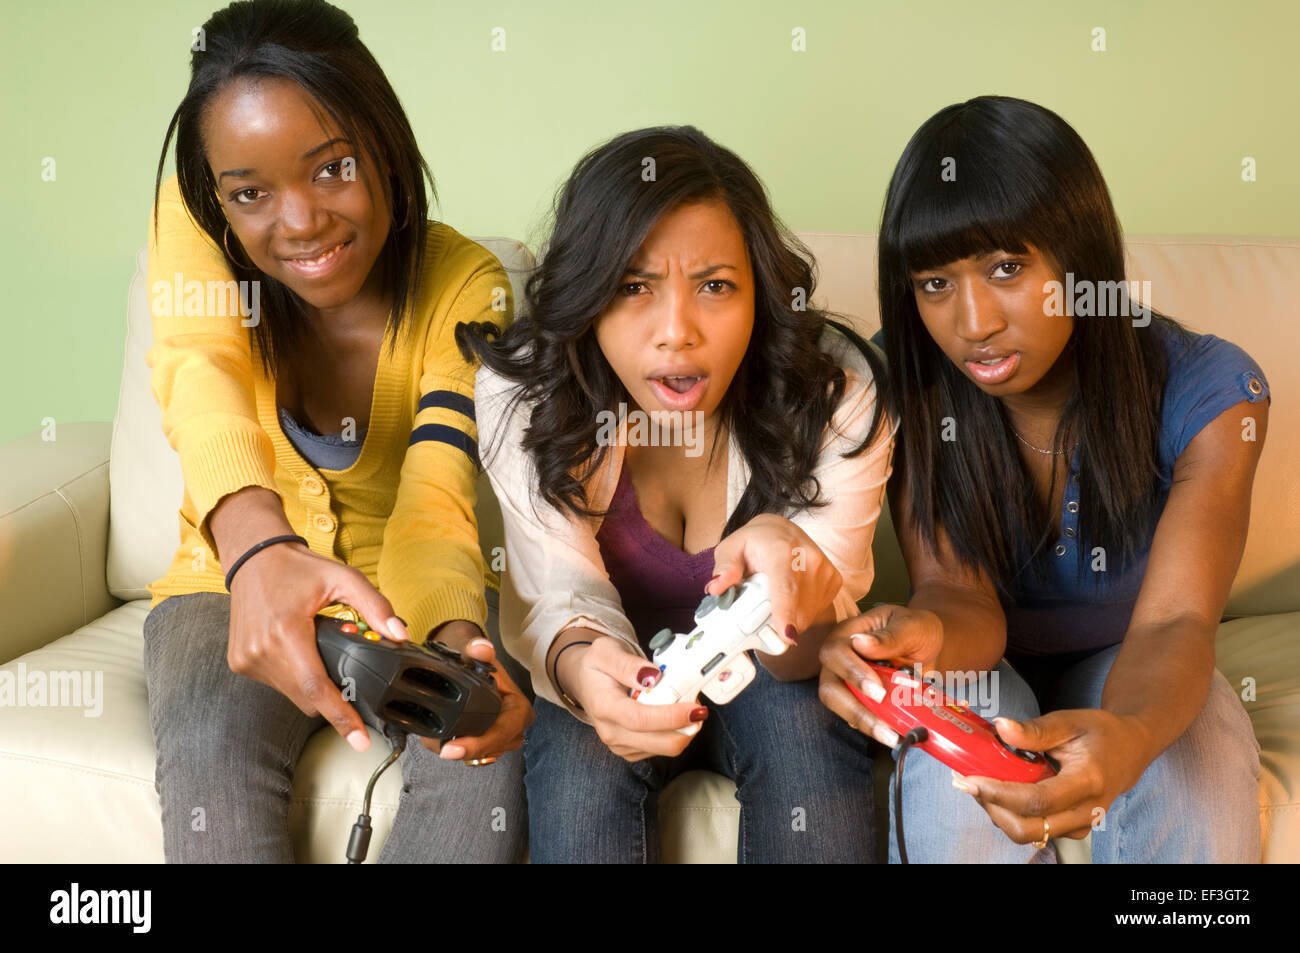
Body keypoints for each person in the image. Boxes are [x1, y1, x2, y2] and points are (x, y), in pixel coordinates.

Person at [819, 95, 1267, 863]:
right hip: (979, 655)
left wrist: (1127, 735)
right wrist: (920, 634)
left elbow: (1174, 626)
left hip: (1138, 652)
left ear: (1080, 255)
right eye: (934, 283)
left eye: (1005, 268)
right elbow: (962, 601)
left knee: (1204, 755)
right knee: (946, 778)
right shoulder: (899, 380)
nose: (974, 322)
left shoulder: (1213, 390)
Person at [142, 0, 530, 863]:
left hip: (401, 598)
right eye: (250, 193)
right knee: (210, 750)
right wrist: (257, 553)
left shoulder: (468, 285)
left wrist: (456, 640)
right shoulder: (191, 219)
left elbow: (435, 500)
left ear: (385, 147)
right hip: (221, 578)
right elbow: (198, 370)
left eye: (332, 168)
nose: (301, 221)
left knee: (477, 757)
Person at [460, 125, 897, 863]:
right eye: (634, 286)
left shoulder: (839, 393)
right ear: (589, 296)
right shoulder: (526, 391)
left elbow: (808, 647)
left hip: (775, 676)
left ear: (761, 293)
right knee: (583, 761)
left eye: (716, 286)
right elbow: (554, 596)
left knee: (801, 728)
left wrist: (796, 576)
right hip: (606, 671)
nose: (676, 333)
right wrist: (585, 670)